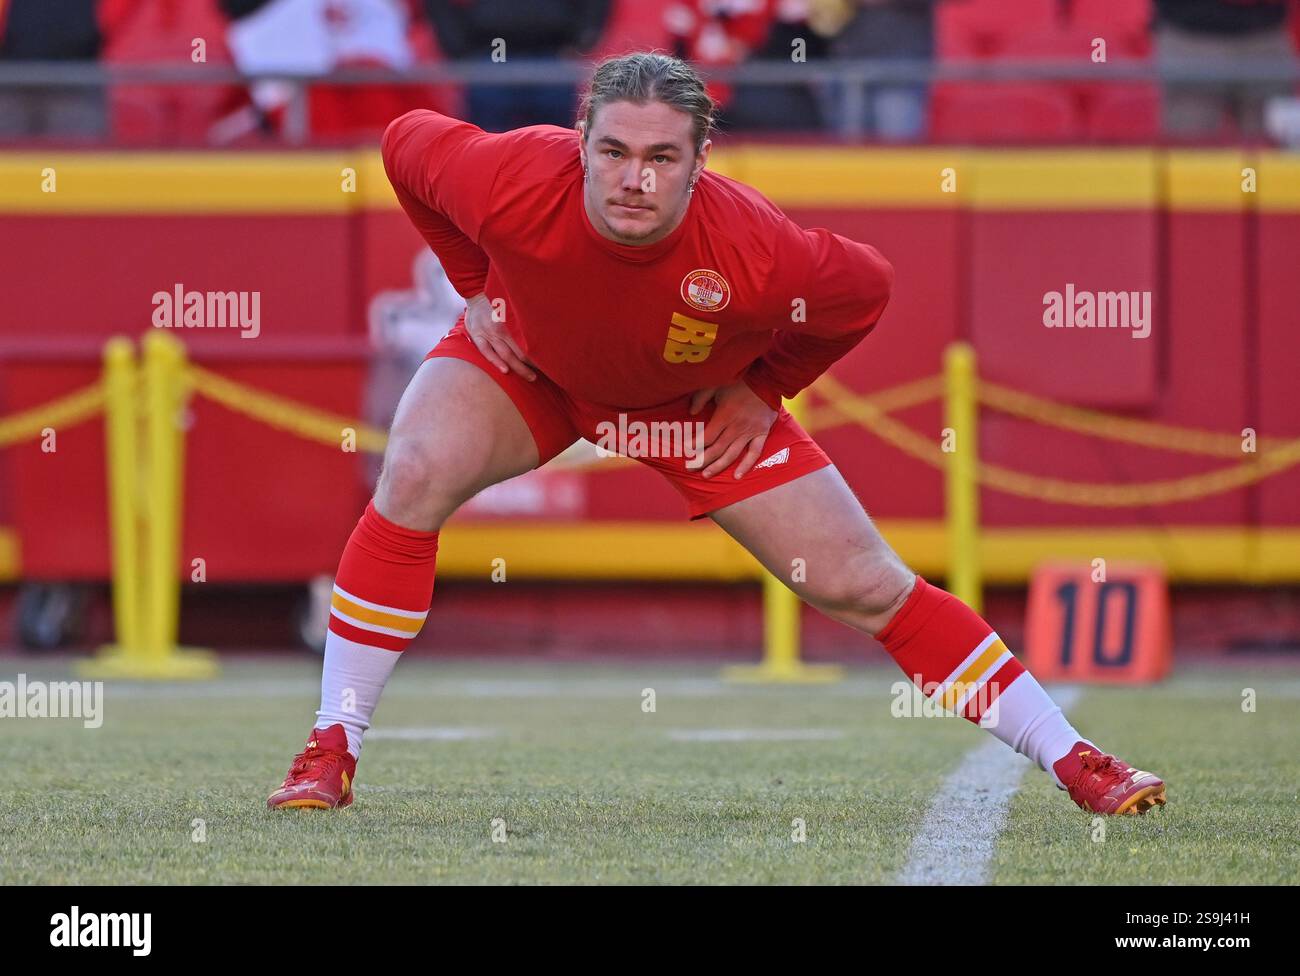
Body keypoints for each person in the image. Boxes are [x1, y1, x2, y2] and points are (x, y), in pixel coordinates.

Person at [267, 52, 1166, 818]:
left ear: (700, 164)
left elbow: (866, 287)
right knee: (415, 470)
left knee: (866, 586)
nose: (634, 177)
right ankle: (331, 745)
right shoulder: (506, 175)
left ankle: (1075, 759)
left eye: (663, 157)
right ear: (580, 143)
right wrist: (476, 283)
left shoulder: (755, 249)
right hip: (530, 373)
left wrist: (763, 388)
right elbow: (403, 148)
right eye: (613, 151)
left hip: (691, 410)